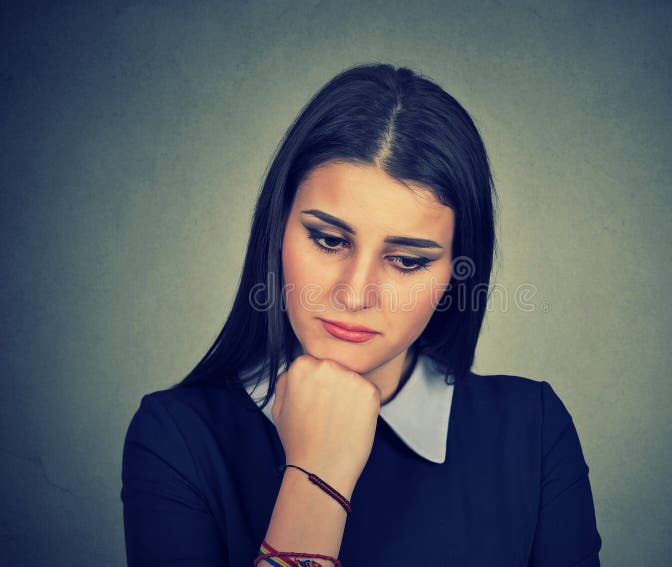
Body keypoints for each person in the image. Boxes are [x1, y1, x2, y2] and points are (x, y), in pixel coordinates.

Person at [120, 62, 602, 566]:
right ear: (278, 229)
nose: (354, 295)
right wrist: (317, 473)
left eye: (407, 261)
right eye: (329, 240)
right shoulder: (177, 437)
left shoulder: (533, 429)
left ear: (457, 271)